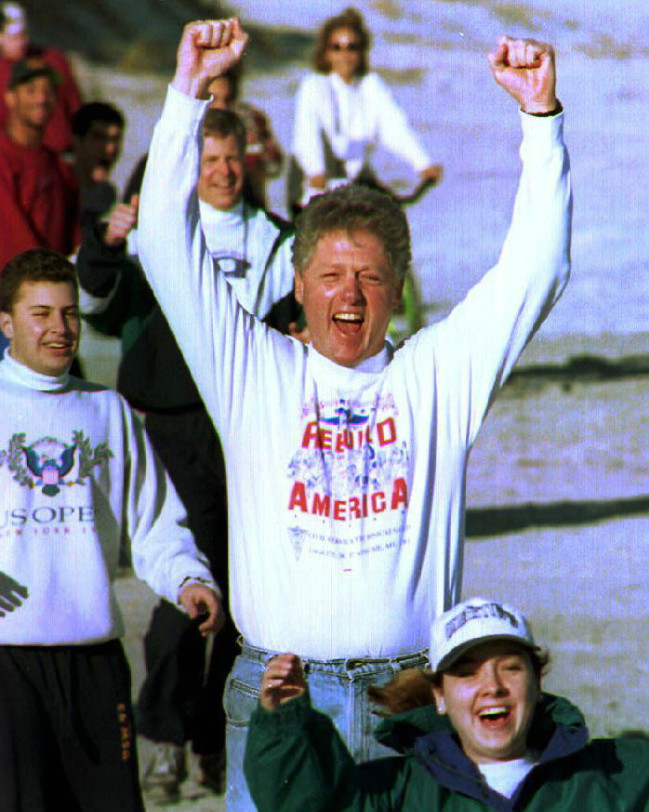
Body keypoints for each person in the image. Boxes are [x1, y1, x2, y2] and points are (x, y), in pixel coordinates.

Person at [138, 19, 571, 811]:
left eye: (369, 277)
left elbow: (534, 271)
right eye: (331, 275)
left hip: (406, 698)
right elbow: (166, 243)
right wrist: (187, 94)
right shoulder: (251, 370)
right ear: (297, 284)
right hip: (280, 693)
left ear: (396, 288)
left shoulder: (436, 376)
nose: (349, 294)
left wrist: (539, 120)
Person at [76, 106, 298, 801]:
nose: (224, 173)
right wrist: (106, 244)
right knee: (187, 585)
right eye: (209, 162)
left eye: (233, 159)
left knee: (248, 590)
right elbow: (99, 307)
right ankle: (165, 737)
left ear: (248, 162)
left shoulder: (278, 239)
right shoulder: (162, 231)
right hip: (175, 423)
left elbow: (296, 321)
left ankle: (215, 736)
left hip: (253, 426)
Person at [0, 248, 223, 812]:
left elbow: (154, 520)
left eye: (69, 313)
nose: (59, 328)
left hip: (95, 658)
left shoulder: (107, 410)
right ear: (6, 324)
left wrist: (188, 579)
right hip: (9, 662)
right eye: (41, 314)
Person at [244, 597, 649, 811]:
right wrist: (284, 724)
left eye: (510, 668)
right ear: (439, 696)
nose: (492, 687)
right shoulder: (396, 793)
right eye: (467, 673)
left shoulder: (616, 774)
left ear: (537, 684)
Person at [288, 6, 442, 211]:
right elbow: (306, 133)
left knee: (388, 216)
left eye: (351, 47)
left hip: (354, 180)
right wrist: (316, 171)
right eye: (337, 47)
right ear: (326, 53)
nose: (345, 54)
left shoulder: (371, 86)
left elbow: (394, 127)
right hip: (315, 183)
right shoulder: (314, 86)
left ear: (361, 52)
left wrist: (422, 163)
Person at [0, 58, 79, 270]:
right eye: (31, 90)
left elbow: (73, 237)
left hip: (54, 283)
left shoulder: (59, 167)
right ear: (10, 97)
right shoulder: (4, 158)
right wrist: (42, 277)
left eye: (49, 91)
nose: (41, 98)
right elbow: (10, 235)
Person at [0, 1, 81, 154]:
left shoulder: (54, 60)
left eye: (23, 35)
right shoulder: (2, 73)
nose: (21, 43)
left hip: (62, 154)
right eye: (13, 38)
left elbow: (74, 104)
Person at [207, 68, 283, 209]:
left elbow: (275, 166)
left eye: (228, 99)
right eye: (212, 99)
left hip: (249, 206)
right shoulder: (187, 125)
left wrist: (257, 149)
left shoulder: (251, 120)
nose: (221, 106)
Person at [70, 100, 125, 230]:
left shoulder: (107, 194)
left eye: (115, 139)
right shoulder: (56, 186)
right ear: (77, 141)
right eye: (99, 138)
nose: (110, 148)